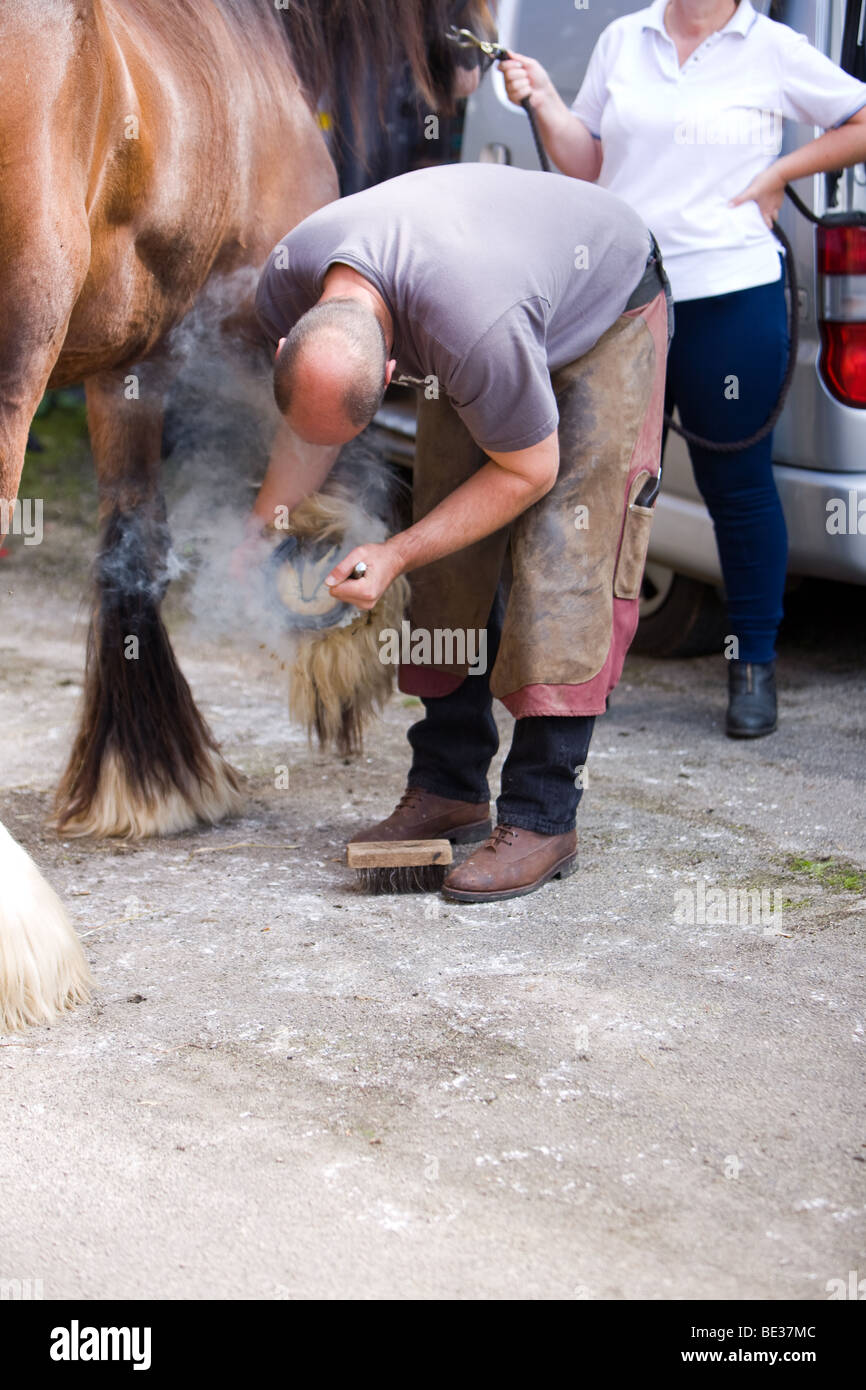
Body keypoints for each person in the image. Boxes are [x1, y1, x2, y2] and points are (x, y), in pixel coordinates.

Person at [250, 161, 671, 902]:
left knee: (564, 558)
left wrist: (392, 552)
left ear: (389, 373)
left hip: (604, 310)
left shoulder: (471, 328)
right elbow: (309, 429)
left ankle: (543, 815)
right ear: (285, 343)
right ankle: (448, 785)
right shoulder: (287, 283)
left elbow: (529, 471)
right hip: (481, 295)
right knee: (447, 570)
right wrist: (262, 533)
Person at [501, 0, 866, 737]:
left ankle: (753, 665)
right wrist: (543, 100)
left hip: (733, 293)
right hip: (628, 292)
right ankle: (583, 668)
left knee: (738, 482)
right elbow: (590, 164)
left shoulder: (771, 46)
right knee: (603, 482)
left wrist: (778, 174)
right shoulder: (622, 38)